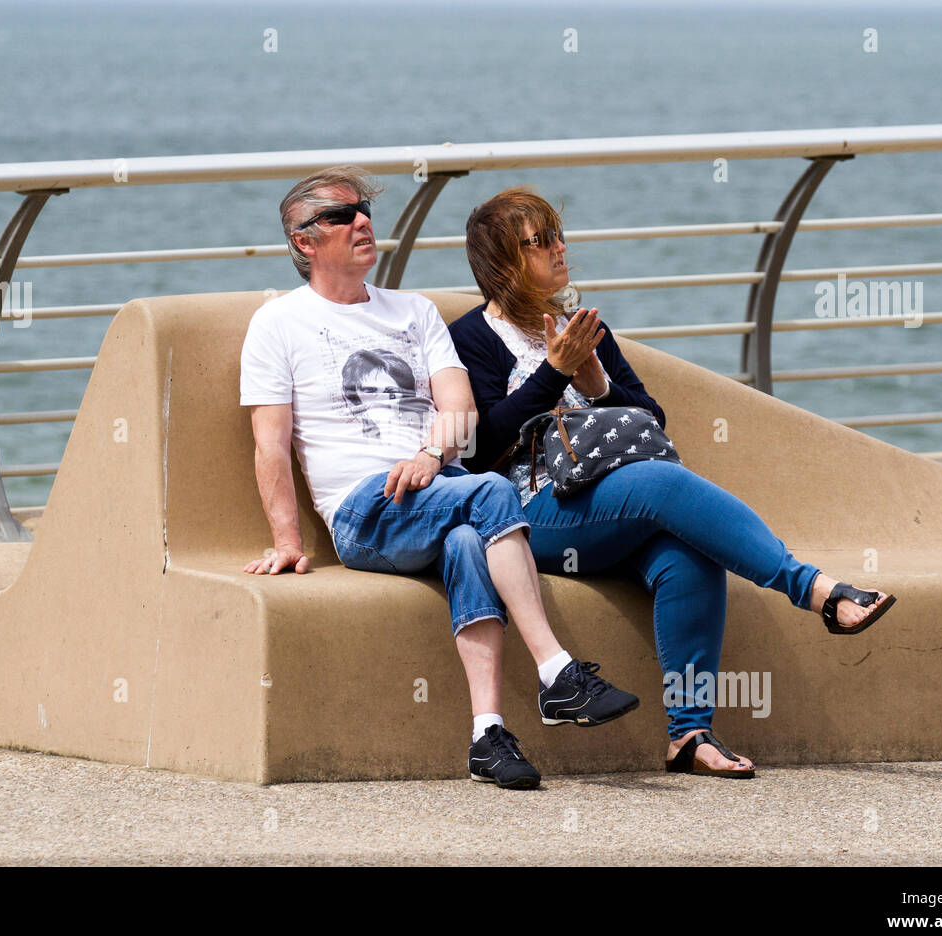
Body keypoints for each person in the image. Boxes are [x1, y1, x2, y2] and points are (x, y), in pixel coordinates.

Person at [449, 187, 897, 779]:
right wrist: (554, 375)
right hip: (537, 515)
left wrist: (599, 382)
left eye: (559, 233)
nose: (561, 248)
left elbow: (648, 418)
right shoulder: (471, 339)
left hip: (616, 507)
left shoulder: (583, 327)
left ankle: (690, 735)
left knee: (690, 554)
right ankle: (813, 589)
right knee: (661, 483)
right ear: (505, 263)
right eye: (542, 241)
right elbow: (478, 450)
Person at [239, 167, 641, 790]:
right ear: (303, 241)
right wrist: (288, 541)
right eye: (342, 215)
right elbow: (270, 444)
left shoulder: (415, 312)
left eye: (365, 208)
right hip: (363, 509)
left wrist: (431, 454)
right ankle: (557, 671)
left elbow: (460, 411)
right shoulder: (278, 323)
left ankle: (486, 735)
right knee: (493, 491)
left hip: (439, 493)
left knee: (464, 541)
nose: (363, 221)